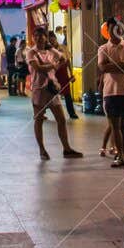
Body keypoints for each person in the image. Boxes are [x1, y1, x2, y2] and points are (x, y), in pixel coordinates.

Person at [26, 29, 82, 161]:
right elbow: (37, 67)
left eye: (41, 36)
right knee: (39, 120)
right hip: (39, 90)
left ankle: (67, 149)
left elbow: (64, 59)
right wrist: (53, 66)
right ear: (33, 38)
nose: (39, 38)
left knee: (61, 119)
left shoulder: (51, 51)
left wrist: (54, 66)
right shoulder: (31, 52)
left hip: (52, 89)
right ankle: (42, 149)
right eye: (36, 36)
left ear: (46, 38)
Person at [98, 18, 124, 165]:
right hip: (110, 93)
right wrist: (121, 64)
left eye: (118, 28)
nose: (115, 31)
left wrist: (112, 65)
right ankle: (120, 155)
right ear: (107, 31)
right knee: (115, 127)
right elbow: (103, 68)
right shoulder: (103, 48)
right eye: (112, 28)